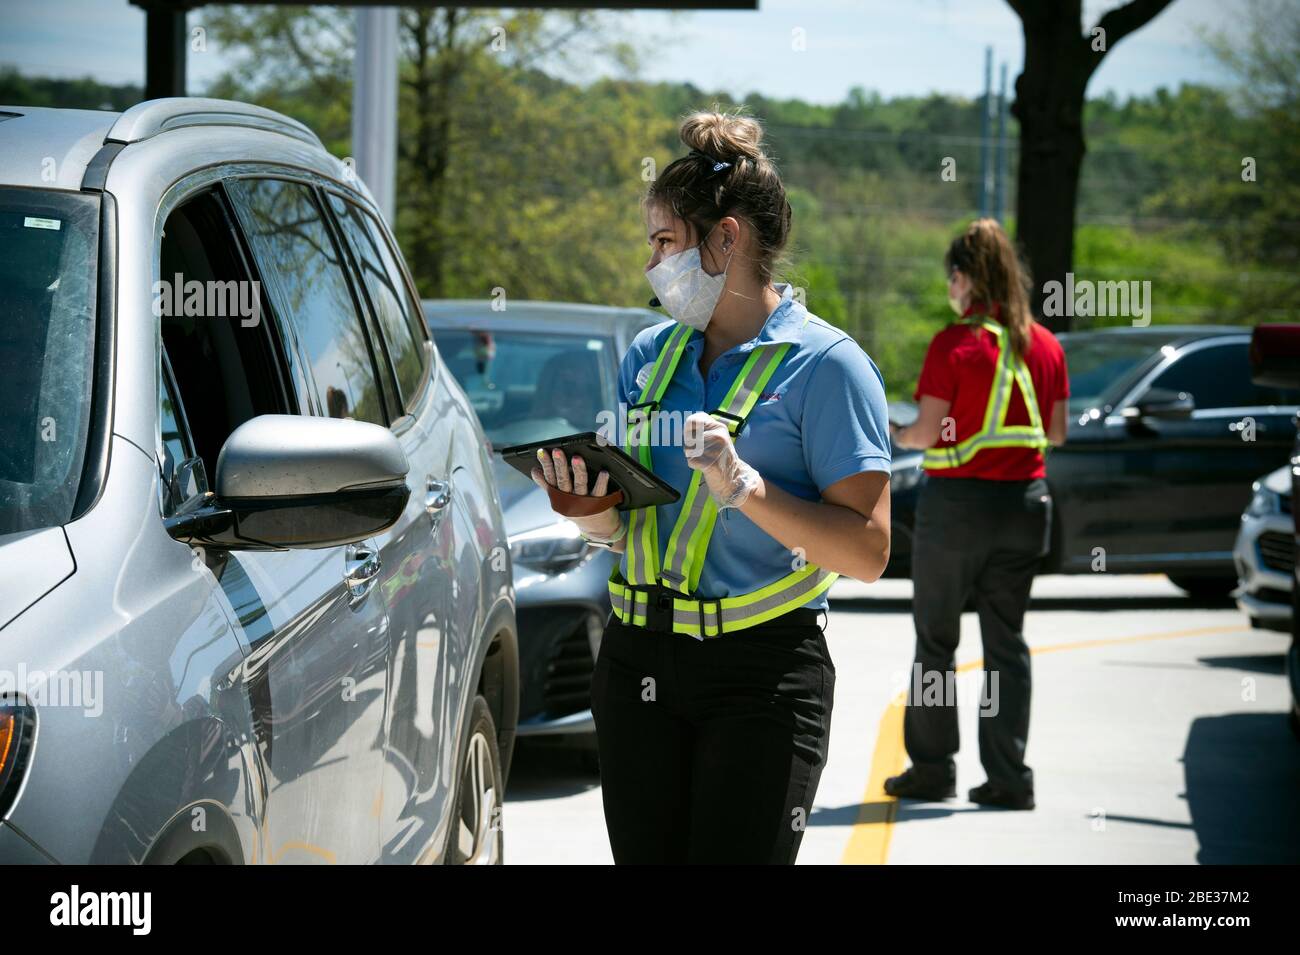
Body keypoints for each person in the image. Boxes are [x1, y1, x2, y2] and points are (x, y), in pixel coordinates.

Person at [530, 109, 892, 863]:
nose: (652, 264)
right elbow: (633, 528)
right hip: (636, 663)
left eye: (665, 243)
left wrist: (747, 487)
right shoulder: (649, 356)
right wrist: (591, 513)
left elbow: (867, 552)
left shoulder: (830, 366)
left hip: (761, 678)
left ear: (727, 240)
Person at [887, 218, 1069, 811]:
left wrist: (895, 432)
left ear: (963, 278)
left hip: (957, 508)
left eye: (951, 279)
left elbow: (923, 432)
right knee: (1006, 646)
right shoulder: (1044, 345)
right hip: (1025, 507)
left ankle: (934, 769)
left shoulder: (954, 344)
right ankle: (1009, 777)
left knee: (937, 641)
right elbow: (1058, 434)